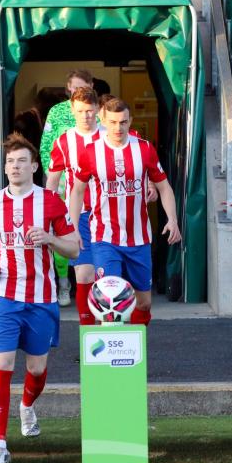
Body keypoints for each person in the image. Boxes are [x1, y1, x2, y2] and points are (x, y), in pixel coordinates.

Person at [0, 133, 80, 463]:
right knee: (2, 365)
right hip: (4, 296)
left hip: (41, 298)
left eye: (21, 161)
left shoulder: (51, 201)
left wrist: (50, 238)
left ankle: (27, 406)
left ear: (34, 166)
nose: (14, 167)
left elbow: (74, 249)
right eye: (10, 161)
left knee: (36, 370)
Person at [69, 98, 181, 328]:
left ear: (130, 121)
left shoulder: (144, 149)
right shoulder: (91, 152)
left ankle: (134, 351)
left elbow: (164, 187)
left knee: (144, 304)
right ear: (103, 121)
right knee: (109, 301)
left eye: (123, 122)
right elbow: (77, 190)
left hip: (138, 238)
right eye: (112, 122)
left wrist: (173, 219)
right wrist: (73, 227)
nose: (118, 128)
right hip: (104, 238)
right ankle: (110, 357)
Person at [45, 86, 103, 326]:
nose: (86, 116)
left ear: (98, 110)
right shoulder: (64, 141)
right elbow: (52, 181)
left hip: (109, 216)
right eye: (80, 111)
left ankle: (110, 332)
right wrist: (46, 215)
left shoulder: (110, 135)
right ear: (72, 110)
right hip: (78, 216)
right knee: (84, 274)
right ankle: (88, 335)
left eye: (90, 111)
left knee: (107, 277)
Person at [39, 69, 94, 306]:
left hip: (97, 196)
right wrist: (53, 180)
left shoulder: (100, 114)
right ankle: (63, 282)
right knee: (62, 235)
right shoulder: (57, 112)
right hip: (64, 188)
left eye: (82, 87)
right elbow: (46, 147)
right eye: (73, 88)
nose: (77, 92)